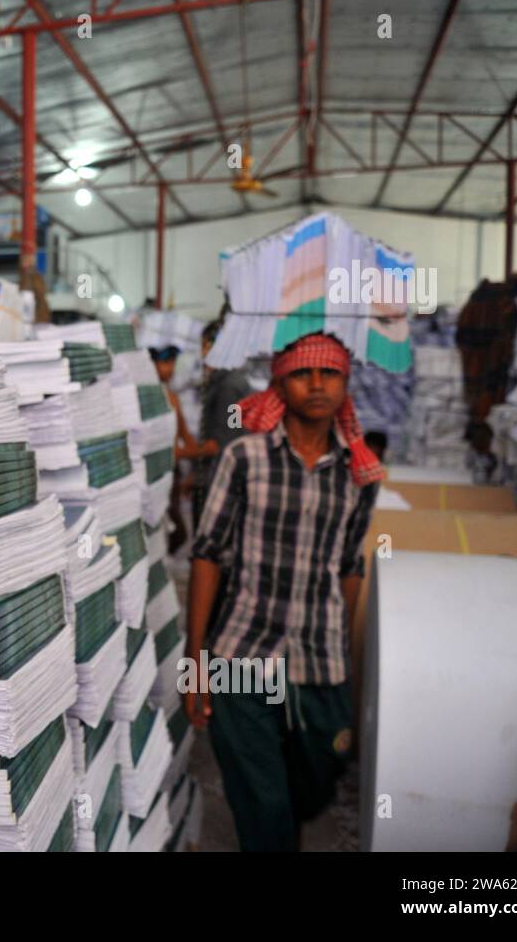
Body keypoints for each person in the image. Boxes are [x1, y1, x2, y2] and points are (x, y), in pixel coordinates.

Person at [185, 333, 381, 852]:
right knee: (262, 802)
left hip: (321, 661)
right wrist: (196, 664)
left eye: (330, 374)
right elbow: (207, 555)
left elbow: (349, 565)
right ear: (280, 382)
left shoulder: (360, 473)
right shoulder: (244, 459)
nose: (317, 385)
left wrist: (349, 658)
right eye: (302, 373)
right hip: (243, 654)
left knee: (314, 785)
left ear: (345, 383)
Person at [191, 318, 254, 527]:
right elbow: (234, 429)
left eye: (205, 346)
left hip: (218, 482)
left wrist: (179, 453)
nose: (203, 354)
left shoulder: (228, 387)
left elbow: (222, 443)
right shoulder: (233, 381)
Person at [150, 344, 204, 554]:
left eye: (172, 363)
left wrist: (198, 462)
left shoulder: (172, 396)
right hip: (158, 472)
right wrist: (205, 451)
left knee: (177, 532)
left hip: (173, 471)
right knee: (169, 530)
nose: (170, 368)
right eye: (165, 363)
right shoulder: (146, 399)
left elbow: (184, 435)